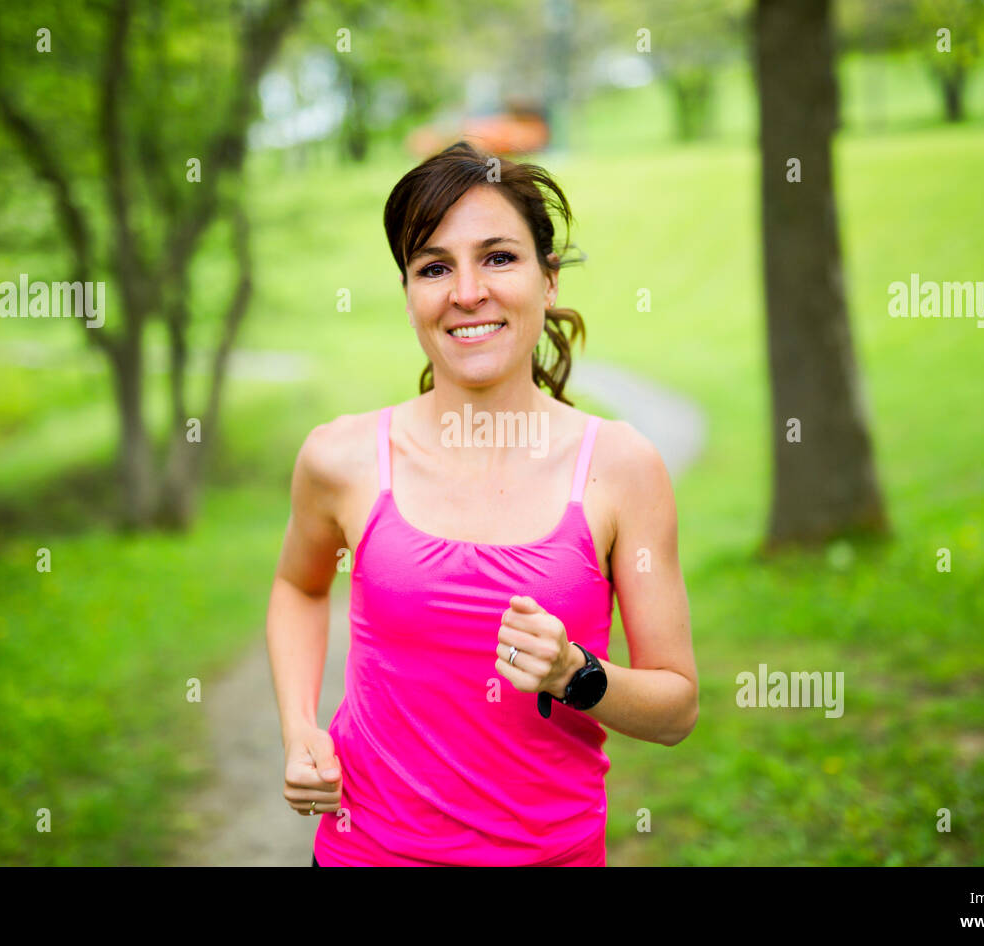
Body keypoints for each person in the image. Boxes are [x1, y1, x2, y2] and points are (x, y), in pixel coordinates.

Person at [266, 141, 697, 866]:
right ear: (410, 297)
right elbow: (299, 586)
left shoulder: (621, 468)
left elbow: (676, 708)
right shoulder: (341, 459)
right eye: (435, 267)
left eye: (498, 257)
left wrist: (576, 674)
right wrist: (299, 726)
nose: (467, 291)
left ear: (548, 280)